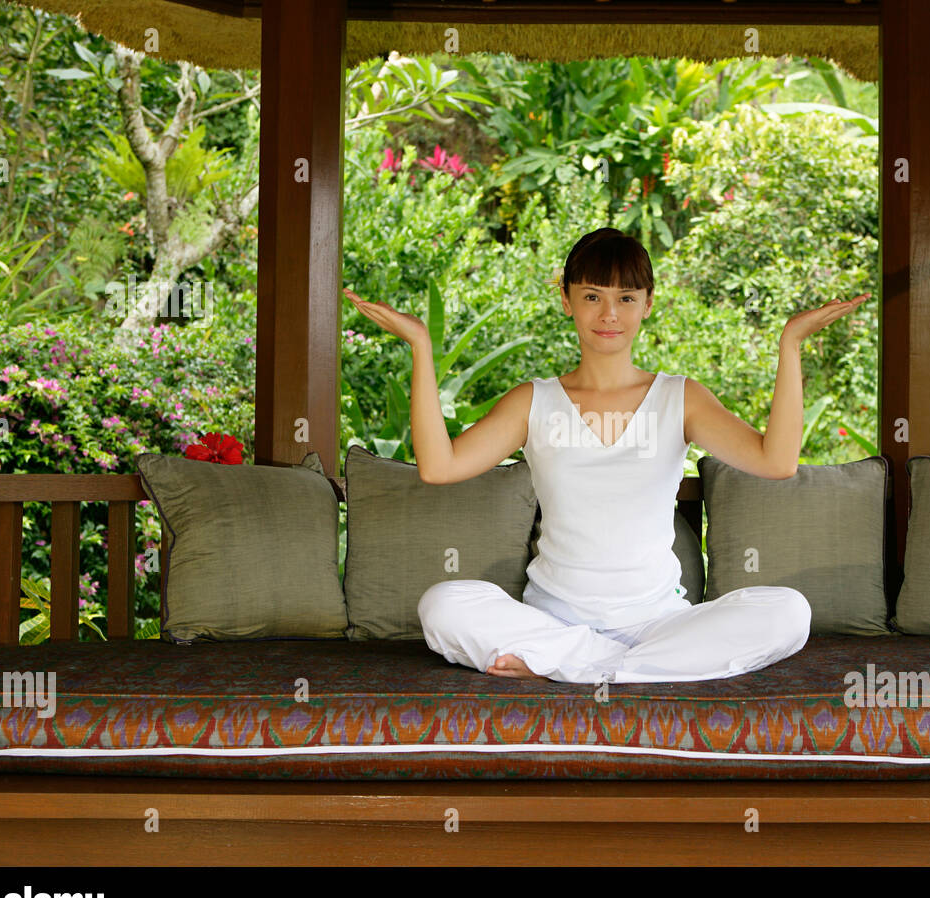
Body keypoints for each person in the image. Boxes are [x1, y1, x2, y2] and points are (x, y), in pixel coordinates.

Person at [344, 228, 871, 683]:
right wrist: (419, 345)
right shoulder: (534, 401)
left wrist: (791, 344)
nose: (609, 314)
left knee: (787, 611)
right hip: (552, 622)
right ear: (567, 298)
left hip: (658, 622)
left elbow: (775, 462)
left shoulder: (680, 397)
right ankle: (633, 669)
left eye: (625, 298)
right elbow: (439, 468)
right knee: (443, 603)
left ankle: (576, 669)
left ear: (648, 303)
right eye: (593, 296)